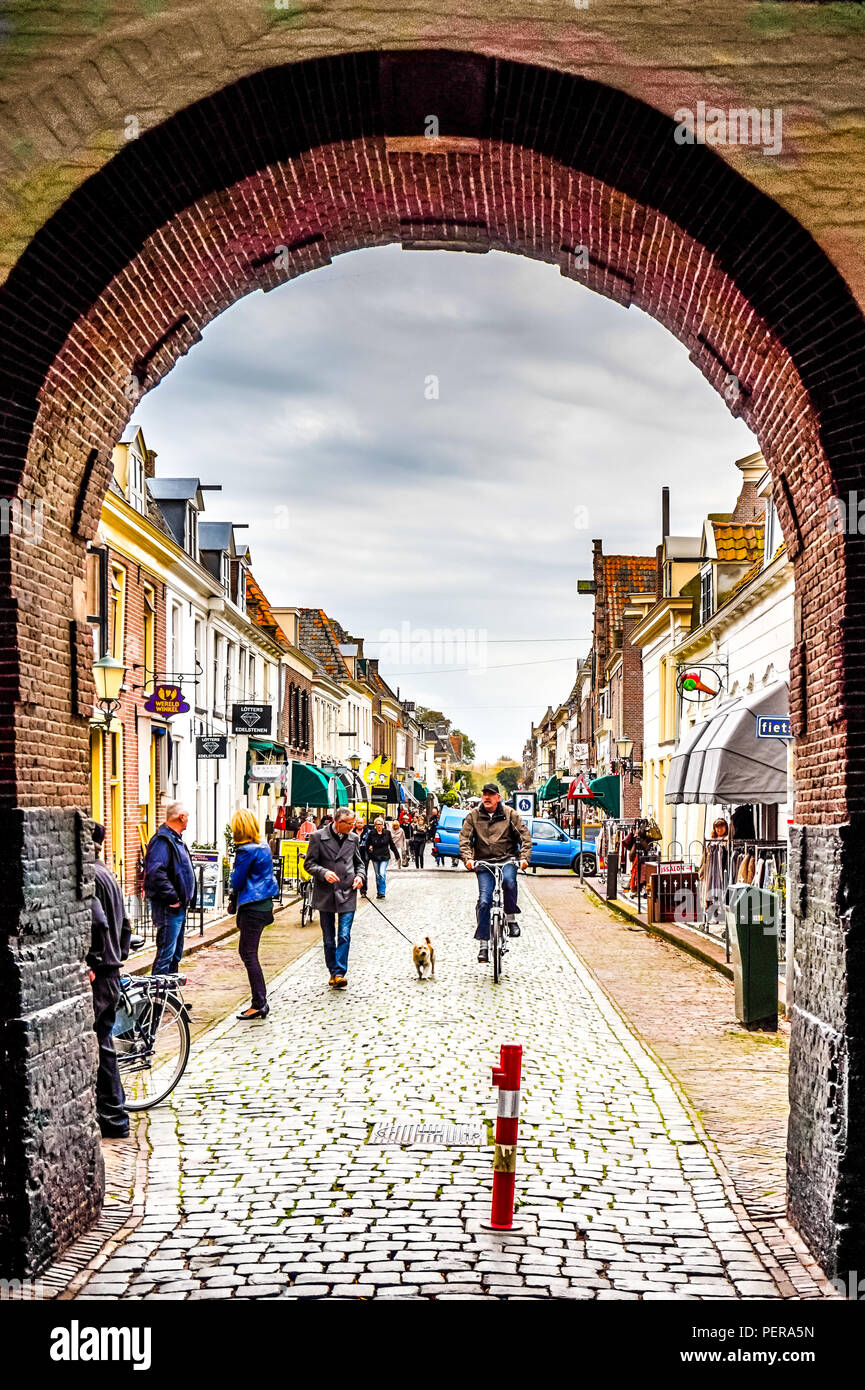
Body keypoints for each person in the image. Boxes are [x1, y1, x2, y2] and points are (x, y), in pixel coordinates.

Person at [89, 823, 132, 1138]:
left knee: (102, 1044)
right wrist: (120, 953)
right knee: (104, 1041)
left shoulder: (90, 875)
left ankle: (115, 1118)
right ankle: (114, 1112)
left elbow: (99, 922)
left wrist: (94, 959)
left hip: (103, 972)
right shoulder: (108, 874)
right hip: (112, 967)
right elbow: (126, 925)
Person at [459, 783, 531, 964]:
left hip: (507, 859)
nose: (487, 798)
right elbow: (465, 839)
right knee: (484, 901)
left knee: (509, 882)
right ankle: (484, 945)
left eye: (491, 794)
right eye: (484, 794)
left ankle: (511, 918)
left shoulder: (510, 814)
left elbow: (524, 836)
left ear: (498, 797)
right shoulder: (473, 816)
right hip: (484, 863)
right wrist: (468, 858)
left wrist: (524, 858)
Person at [304, 807, 366, 989]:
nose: (353, 827)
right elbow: (309, 864)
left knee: (344, 934)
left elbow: (359, 864)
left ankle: (339, 973)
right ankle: (332, 971)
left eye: (354, 824)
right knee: (329, 937)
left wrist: (360, 877)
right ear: (338, 822)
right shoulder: (318, 837)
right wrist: (323, 872)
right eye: (350, 824)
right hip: (326, 893)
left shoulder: (353, 838)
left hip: (347, 891)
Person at [229, 809, 280, 1020]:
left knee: (248, 954)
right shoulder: (263, 846)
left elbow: (237, 881)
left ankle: (259, 1002)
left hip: (252, 905)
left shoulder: (246, 851)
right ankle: (258, 1000)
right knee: (248, 952)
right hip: (263, 903)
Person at [144, 801, 197, 975]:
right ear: (181, 817)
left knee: (175, 954)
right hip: (169, 908)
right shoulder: (163, 840)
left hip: (179, 907)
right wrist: (172, 898)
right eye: (187, 816)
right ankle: (158, 999)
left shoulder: (175, 839)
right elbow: (156, 872)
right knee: (166, 955)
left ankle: (170, 998)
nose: (188, 819)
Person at [364, 816, 400, 899]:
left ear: (383, 825)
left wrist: (397, 855)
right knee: (377, 875)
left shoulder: (387, 833)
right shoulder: (372, 833)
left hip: (384, 856)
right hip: (375, 856)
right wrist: (369, 849)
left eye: (380, 824)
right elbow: (367, 844)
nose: (379, 826)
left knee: (382, 873)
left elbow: (391, 844)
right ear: (375, 825)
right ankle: (379, 892)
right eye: (377, 824)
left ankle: (382, 892)